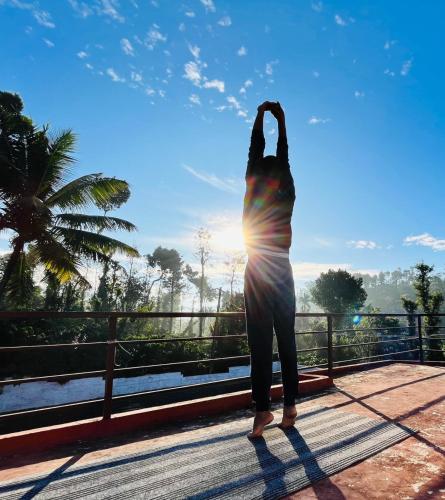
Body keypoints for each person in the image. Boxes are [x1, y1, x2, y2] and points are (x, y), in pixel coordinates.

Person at [243, 101, 298, 438]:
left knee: (260, 344)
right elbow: (283, 154)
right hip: (282, 269)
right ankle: (289, 406)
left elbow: (255, 148)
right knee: (286, 340)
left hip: (258, 270)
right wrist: (282, 121)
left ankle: (262, 411)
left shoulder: (253, 182)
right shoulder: (287, 188)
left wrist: (260, 116)